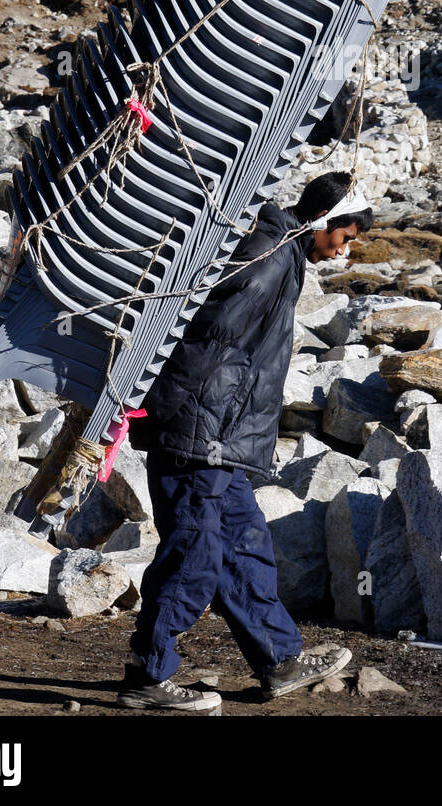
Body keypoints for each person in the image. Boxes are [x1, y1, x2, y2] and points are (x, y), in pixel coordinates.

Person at [117, 170, 374, 711]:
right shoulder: (269, 257)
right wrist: (198, 423)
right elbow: (208, 338)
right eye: (344, 238)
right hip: (201, 433)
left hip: (223, 436)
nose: (342, 252)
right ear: (325, 222)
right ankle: (148, 674)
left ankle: (279, 660)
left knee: (243, 546)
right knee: (194, 550)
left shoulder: (281, 254)